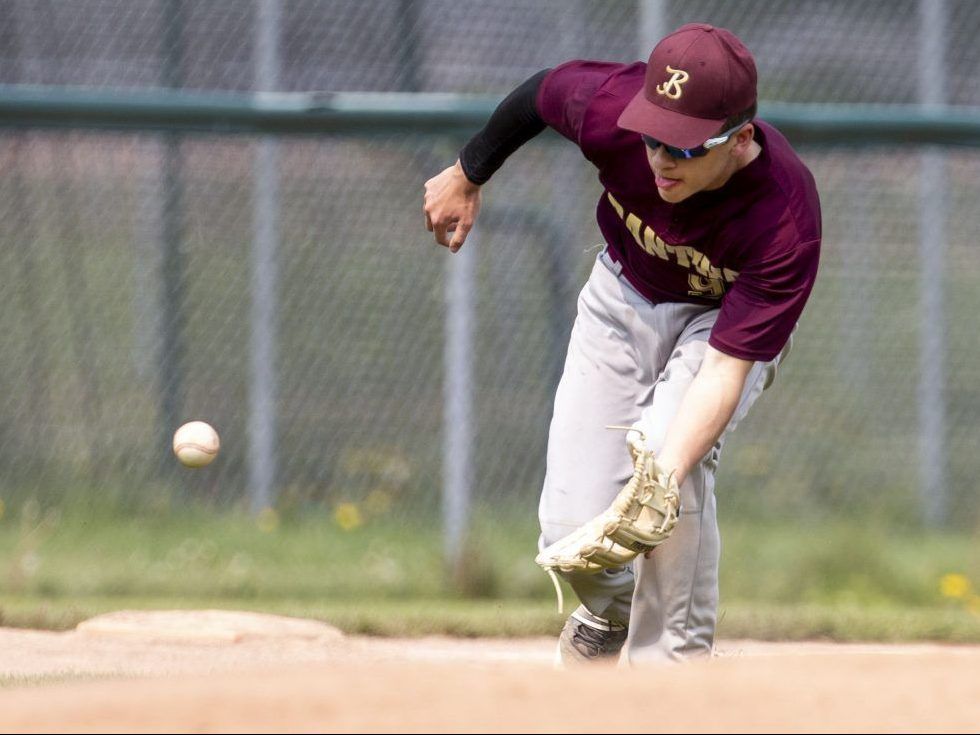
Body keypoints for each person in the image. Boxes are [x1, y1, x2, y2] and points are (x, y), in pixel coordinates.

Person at [423, 23, 821, 665]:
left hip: (717, 326)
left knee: (669, 458)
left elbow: (722, 371)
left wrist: (663, 477)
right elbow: (542, 94)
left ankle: (674, 667)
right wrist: (469, 171)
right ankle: (612, 617)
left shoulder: (785, 220)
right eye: (654, 136)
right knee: (570, 527)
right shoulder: (610, 109)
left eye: (686, 147)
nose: (661, 158)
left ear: (741, 138)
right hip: (621, 295)